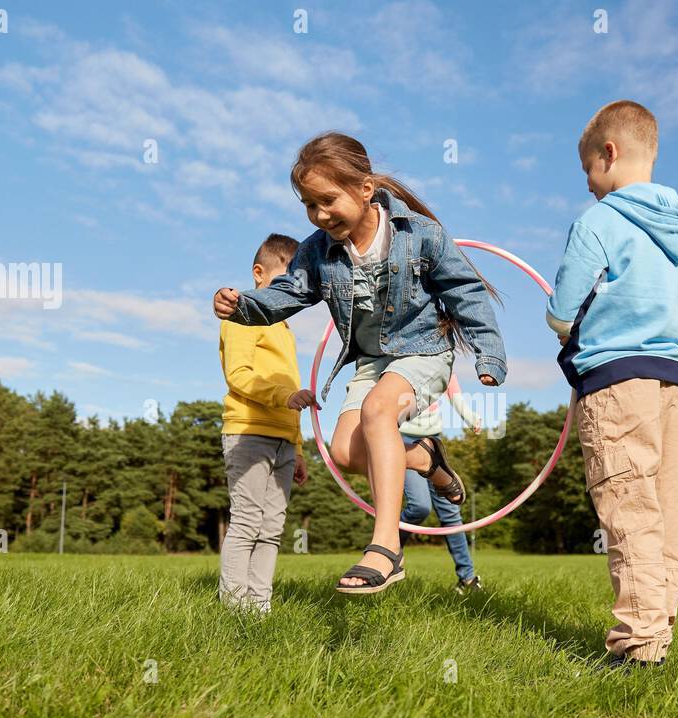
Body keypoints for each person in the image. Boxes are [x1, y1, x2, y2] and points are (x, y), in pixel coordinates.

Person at [212, 132, 508, 594]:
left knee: (378, 412)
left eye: (328, 200)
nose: (320, 214)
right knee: (345, 451)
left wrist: (487, 352)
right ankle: (426, 459)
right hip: (371, 363)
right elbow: (289, 292)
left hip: (423, 352)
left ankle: (386, 548)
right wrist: (244, 306)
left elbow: (465, 290)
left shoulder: (420, 235)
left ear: (365, 189)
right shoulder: (316, 251)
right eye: (309, 205)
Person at [547, 100, 678, 667]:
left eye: (587, 168)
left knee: (629, 506)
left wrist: (564, 322)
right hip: (672, 385)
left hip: (615, 384)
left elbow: (562, 312)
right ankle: (657, 634)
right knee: (665, 510)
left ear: (608, 154)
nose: (588, 184)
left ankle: (636, 647)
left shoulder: (598, 222)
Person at [217, 233, 313, 614]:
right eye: (283, 283)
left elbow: (292, 398)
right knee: (246, 522)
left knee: (272, 529)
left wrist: (299, 448)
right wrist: (283, 396)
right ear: (259, 274)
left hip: (284, 442)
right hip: (248, 432)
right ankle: (233, 607)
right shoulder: (242, 314)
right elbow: (238, 374)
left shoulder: (285, 331)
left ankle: (259, 608)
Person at [398, 375, 485, 594]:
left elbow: (453, 392)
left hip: (432, 439)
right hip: (402, 438)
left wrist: (470, 417)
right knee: (419, 507)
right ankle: (387, 553)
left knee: (451, 512)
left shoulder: (444, 356)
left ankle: (467, 579)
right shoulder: (398, 349)